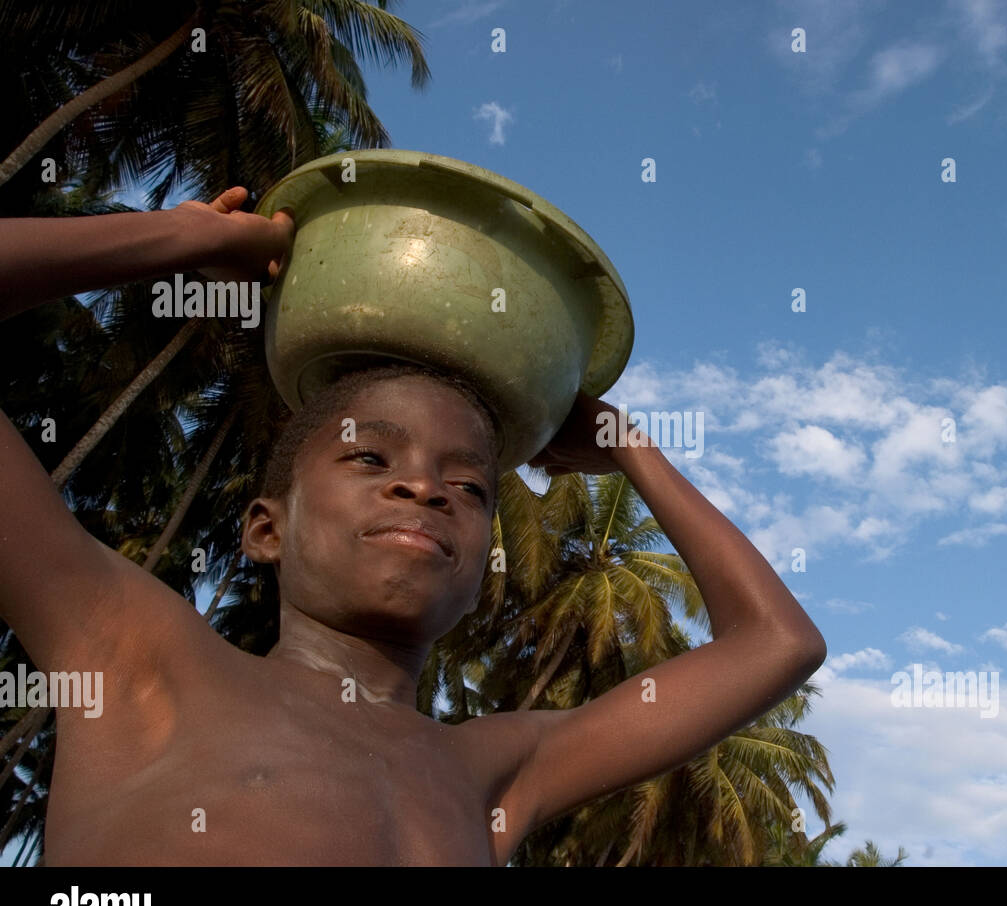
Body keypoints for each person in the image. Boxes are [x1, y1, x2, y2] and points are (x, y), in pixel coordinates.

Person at [0, 187, 826, 865]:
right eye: (369, 459)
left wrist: (627, 445)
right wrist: (177, 238)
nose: (424, 489)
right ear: (265, 530)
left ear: (480, 573)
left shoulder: (488, 771)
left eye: (468, 486)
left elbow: (777, 644)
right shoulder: (135, 655)